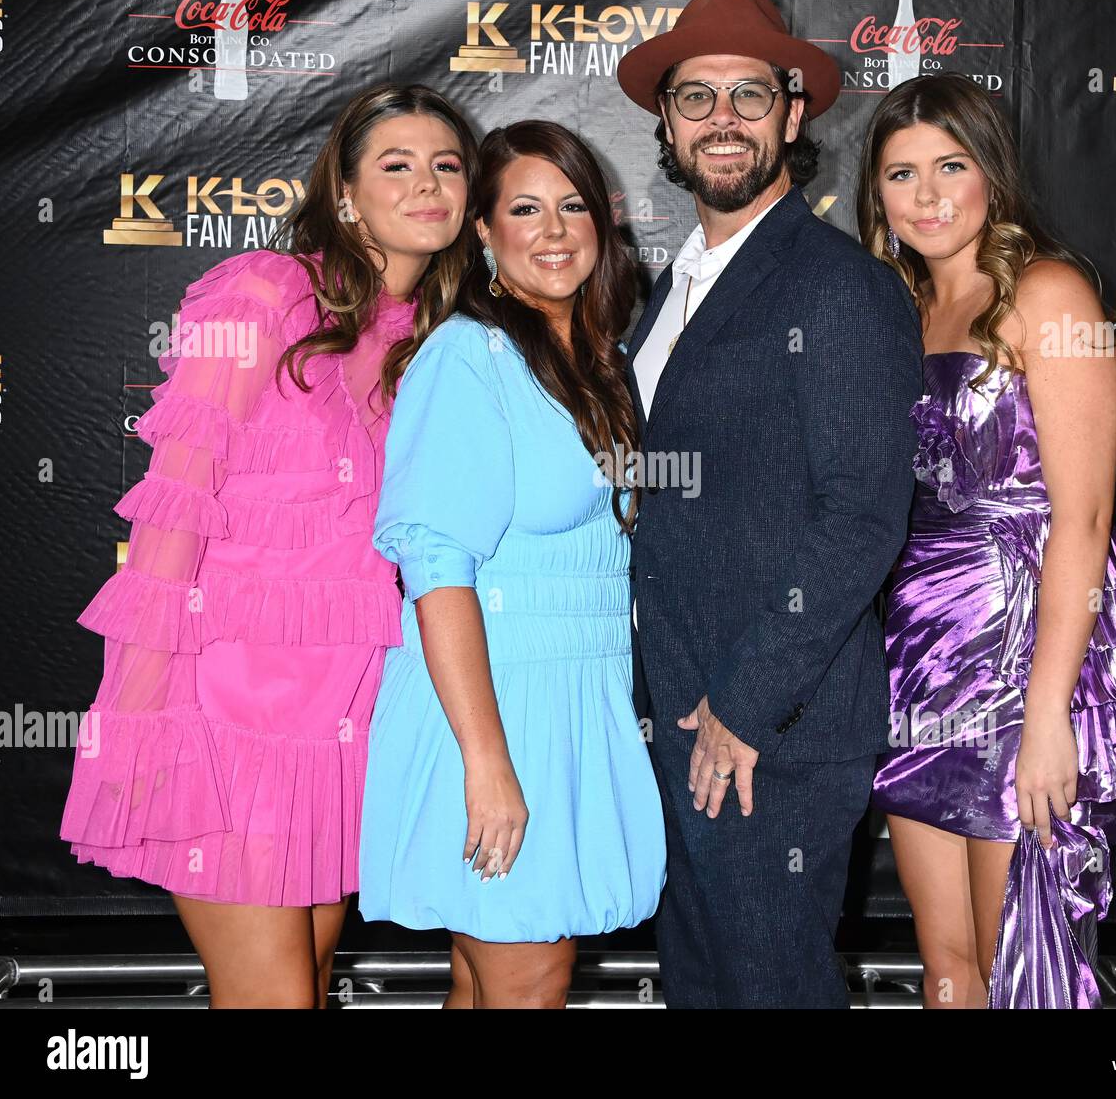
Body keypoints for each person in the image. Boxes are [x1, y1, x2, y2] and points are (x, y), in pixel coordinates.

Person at [60, 83, 477, 1008]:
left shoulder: (437, 347)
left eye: (446, 165)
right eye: (396, 165)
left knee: (310, 986)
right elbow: (170, 517)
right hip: (222, 720)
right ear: (344, 193)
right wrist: (136, 723)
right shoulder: (262, 293)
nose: (426, 185)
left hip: (344, 728)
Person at [614, 0, 923, 1008]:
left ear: (792, 117)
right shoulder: (673, 287)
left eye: (748, 96)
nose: (722, 122)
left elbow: (860, 519)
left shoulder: (839, 288)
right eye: (694, 99)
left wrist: (743, 710)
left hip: (768, 731)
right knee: (703, 987)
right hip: (677, 709)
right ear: (664, 123)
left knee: (770, 990)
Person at [858, 73, 1116, 1008]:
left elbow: (1081, 520)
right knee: (948, 964)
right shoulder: (898, 308)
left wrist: (1046, 725)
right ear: (875, 195)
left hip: (1024, 646)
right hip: (920, 648)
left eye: (950, 165)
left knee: (1020, 965)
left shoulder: (1050, 290)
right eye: (901, 174)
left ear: (991, 172)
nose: (927, 195)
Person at [358, 120, 666, 1009]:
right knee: (528, 978)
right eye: (525, 209)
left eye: (573, 205)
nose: (555, 228)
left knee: (495, 979)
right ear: (484, 232)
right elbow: (435, 567)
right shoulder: (467, 356)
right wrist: (487, 763)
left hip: (576, 702)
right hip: (495, 713)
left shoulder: (603, 361)